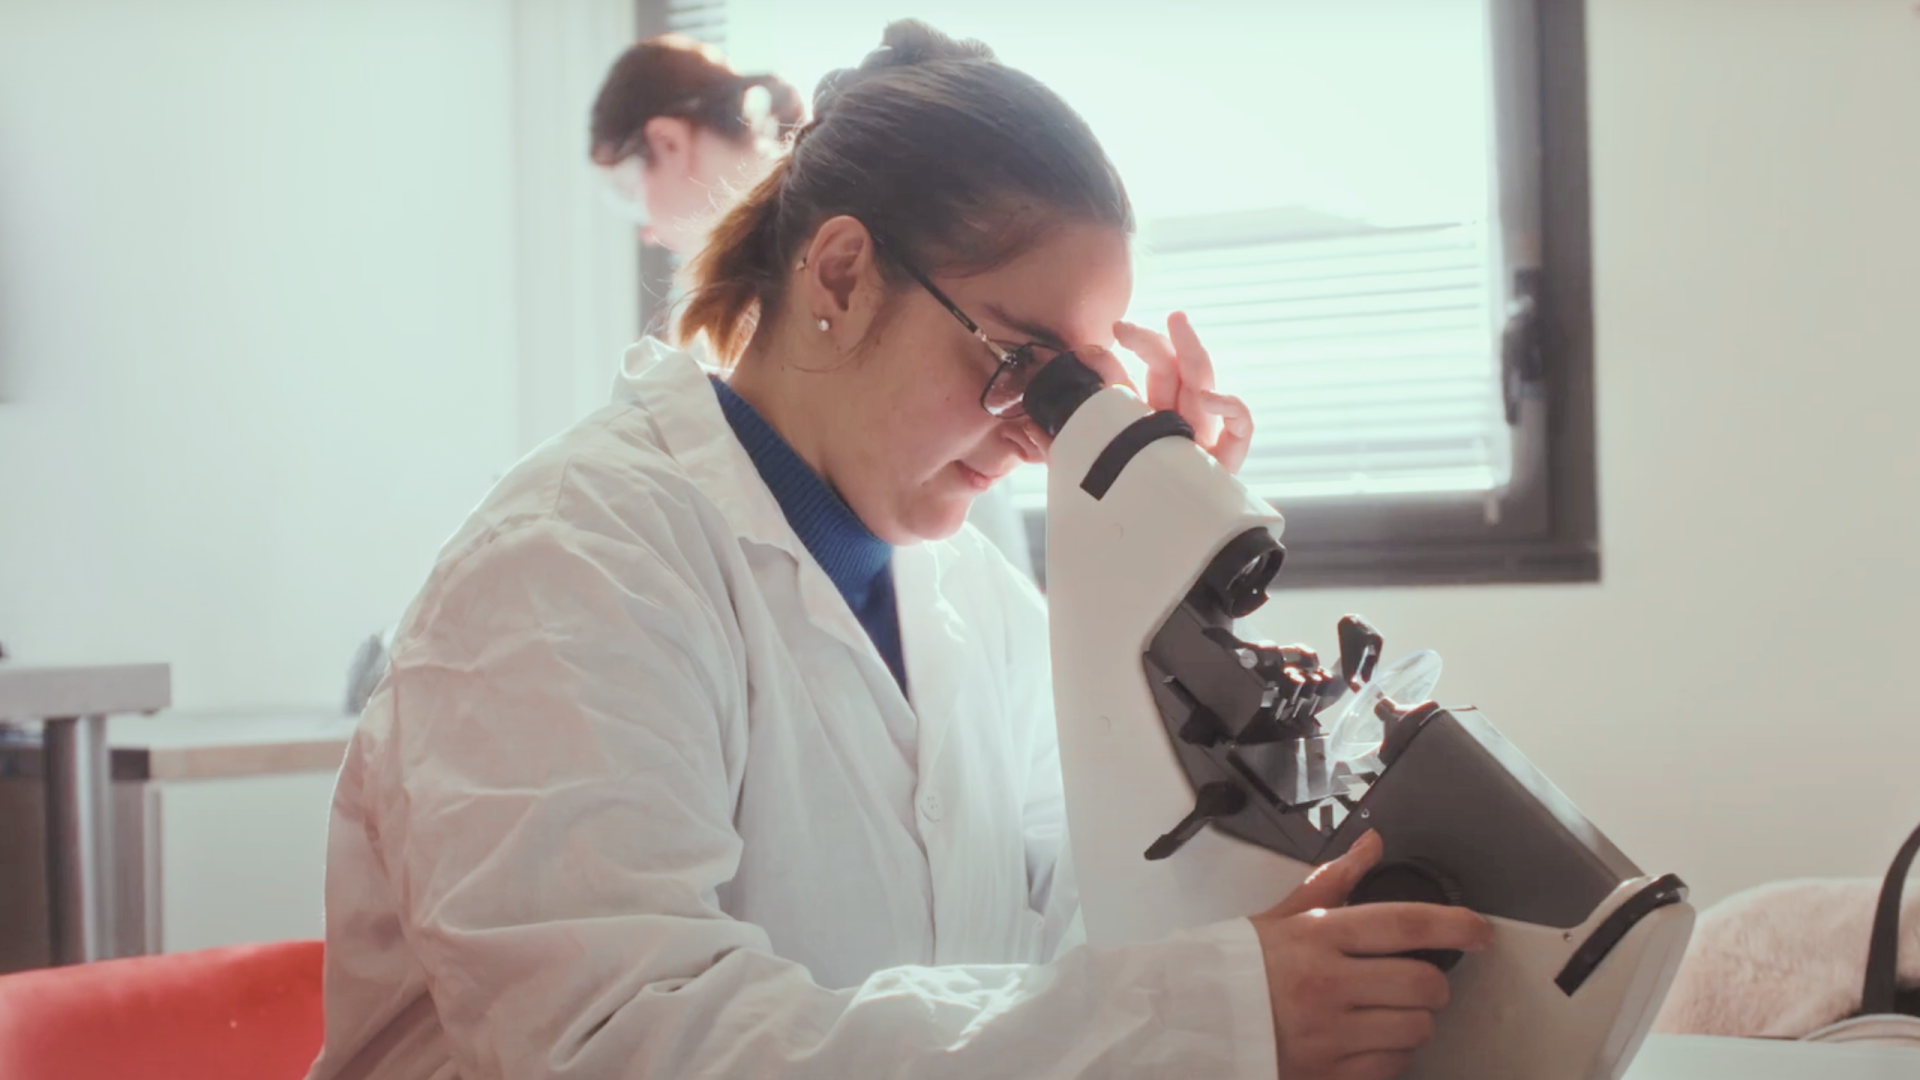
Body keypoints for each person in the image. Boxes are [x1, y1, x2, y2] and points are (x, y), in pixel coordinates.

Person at [307, 20, 1490, 1080]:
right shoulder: (571, 568)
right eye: (1021, 363)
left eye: (1076, 390)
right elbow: (620, 1041)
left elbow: (1105, 922)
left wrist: (1163, 587)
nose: (1037, 439)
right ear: (840, 273)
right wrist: (1203, 1020)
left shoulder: (968, 588)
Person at [589, 34, 803, 254]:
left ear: (669, 143)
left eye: (628, 193)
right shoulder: (807, 232)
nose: (648, 235)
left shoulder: (811, 261)